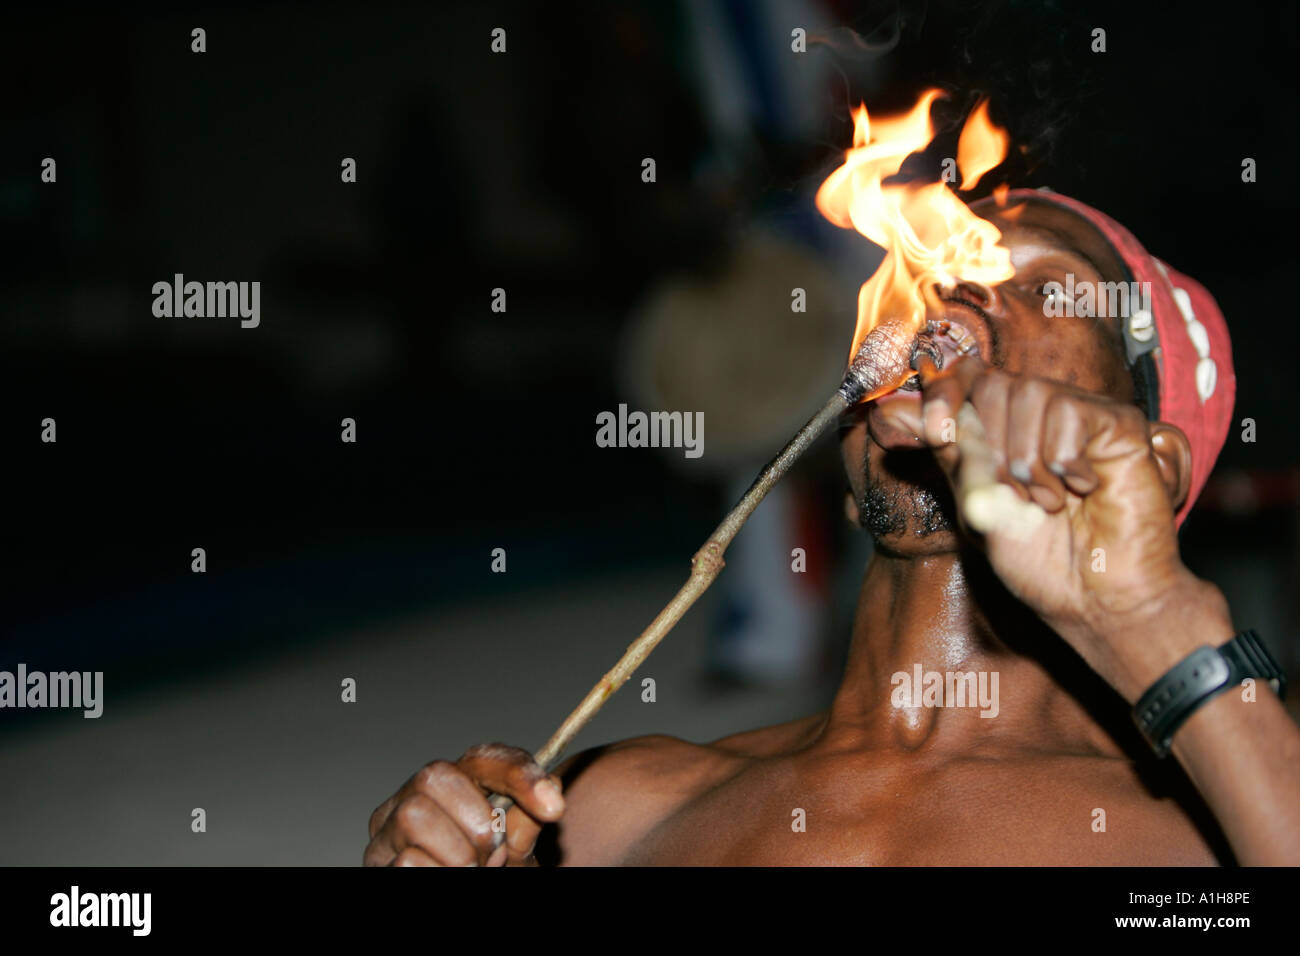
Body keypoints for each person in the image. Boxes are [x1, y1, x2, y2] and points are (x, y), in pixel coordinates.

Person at [364, 189, 1299, 865]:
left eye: (1050, 283)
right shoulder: (606, 808)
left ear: (1155, 463)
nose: (956, 283)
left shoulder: (1208, 831)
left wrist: (1156, 615)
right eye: (935, 264)